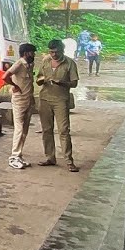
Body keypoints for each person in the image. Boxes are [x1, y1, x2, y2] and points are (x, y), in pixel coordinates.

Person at [35, 38, 80, 172]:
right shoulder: (45, 61)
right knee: (47, 130)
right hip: (45, 99)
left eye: (56, 52)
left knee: (64, 131)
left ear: (62, 50)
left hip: (61, 100)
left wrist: (62, 83)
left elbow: (74, 83)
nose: (53, 55)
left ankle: (69, 160)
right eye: (51, 52)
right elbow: (38, 78)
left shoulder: (69, 63)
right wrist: (41, 81)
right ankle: (50, 157)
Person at [3, 43, 37, 170]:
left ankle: (19, 156)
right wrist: (15, 86)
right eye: (32, 52)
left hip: (28, 100)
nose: (34, 55)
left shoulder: (30, 64)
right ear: (25, 53)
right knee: (19, 129)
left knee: (25, 130)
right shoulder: (19, 64)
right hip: (19, 101)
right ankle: (13, 157)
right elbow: (4, 76)